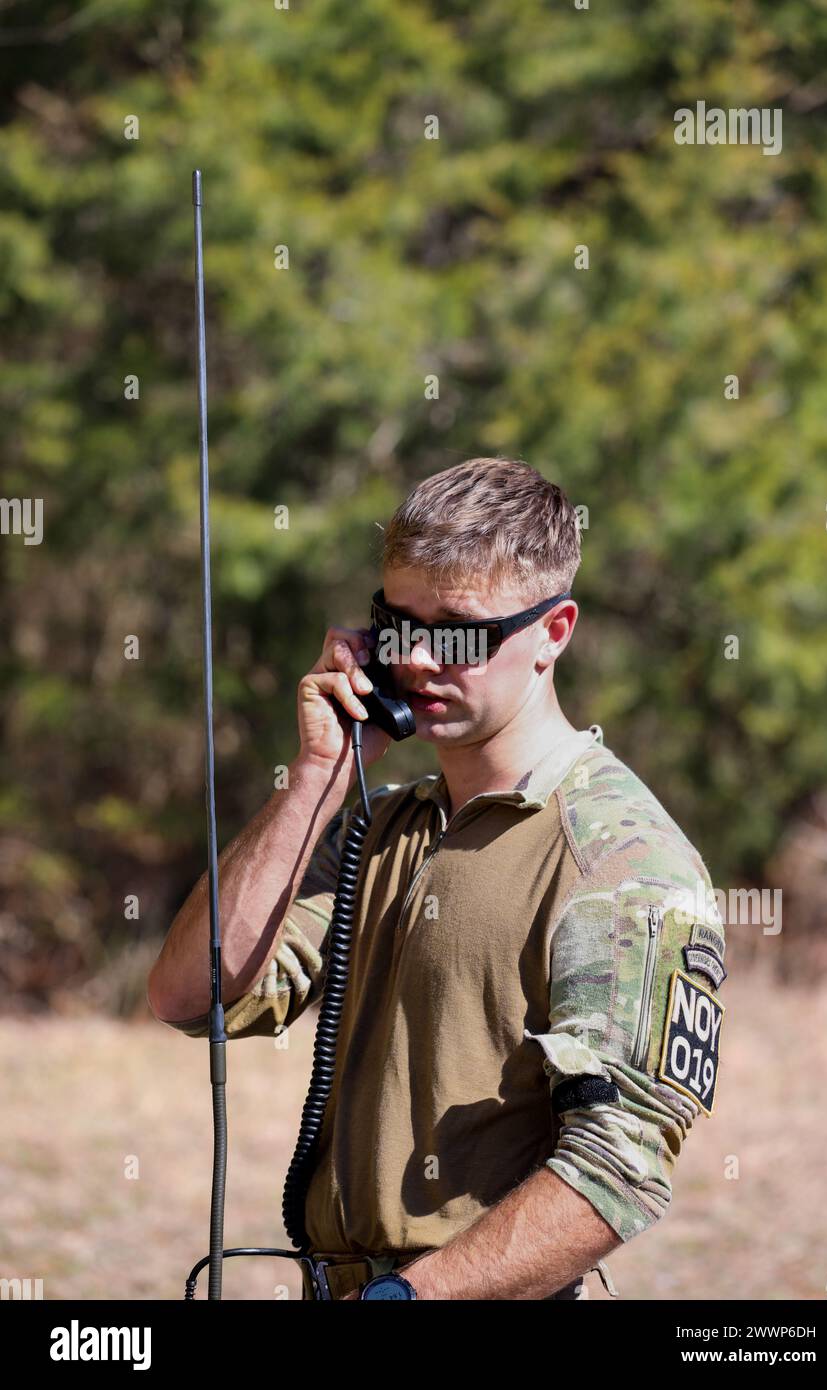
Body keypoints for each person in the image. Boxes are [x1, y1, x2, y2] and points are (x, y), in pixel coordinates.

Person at [147, 456, 727, 1301]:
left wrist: (411, 1298)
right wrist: (317, 772)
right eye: (394, 624)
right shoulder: (374, 825)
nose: (416, 659)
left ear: (553, 632)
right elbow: (189, 993)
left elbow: (621, 1166)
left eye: (456, 631)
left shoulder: (623, 863)